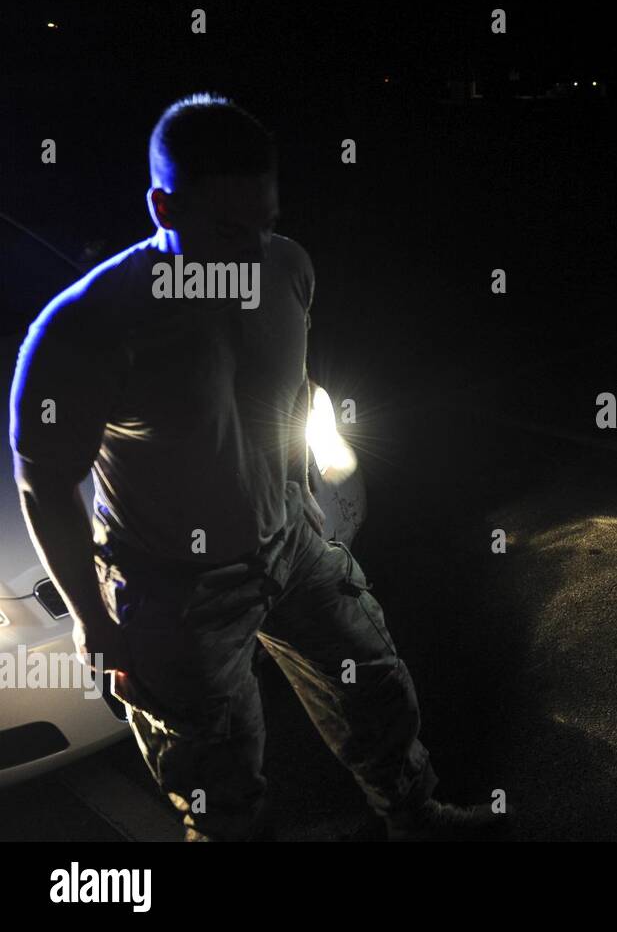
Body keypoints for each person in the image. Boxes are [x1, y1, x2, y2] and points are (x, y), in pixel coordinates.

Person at [9, 93, 495, 840]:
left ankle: (416, 819)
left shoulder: (286, 265)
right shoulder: (87, 329)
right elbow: (42, 483)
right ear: (162, 207)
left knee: (376, 692)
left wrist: (298, 494)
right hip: (177, 589)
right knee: (217, 783)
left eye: (263, 226)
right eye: (229, 231)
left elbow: (288, 391)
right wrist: (92, 620)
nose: (248, 255)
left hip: (290, 547)